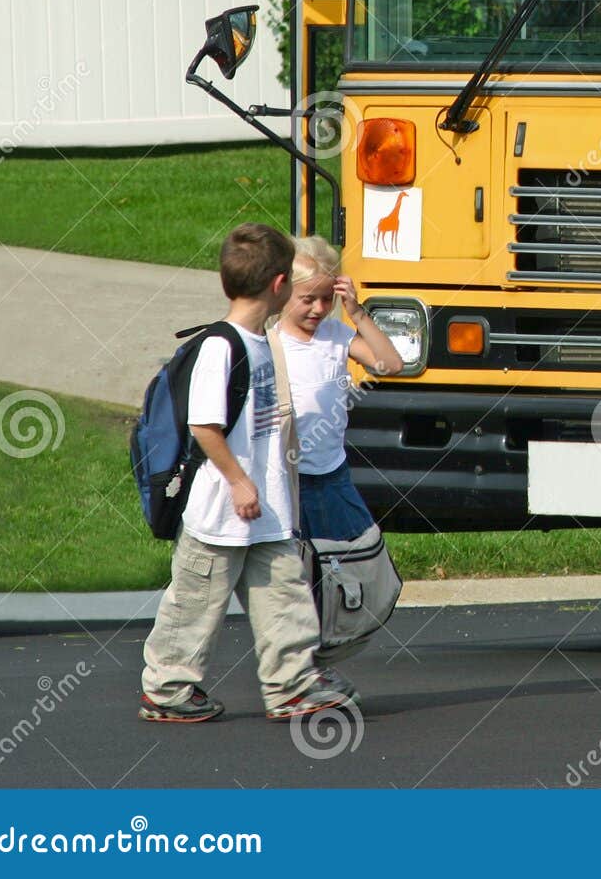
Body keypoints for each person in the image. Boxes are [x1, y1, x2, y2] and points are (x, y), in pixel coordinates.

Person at [140, 223, 354, 723]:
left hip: (267, 508)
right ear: (279, 285)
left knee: (286, 600)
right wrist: (239, 481)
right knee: (194, 606)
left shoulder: (259, 341)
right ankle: (167, 690)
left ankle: (291, 686)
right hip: (220, 511)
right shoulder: (222, 345)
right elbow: (204, 425)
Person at [275, 235, 404, 690]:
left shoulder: (337, 335)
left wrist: (357, 313)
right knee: (300, 578)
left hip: (333, 477)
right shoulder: (271, 344)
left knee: (355, 563)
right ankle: (303, 668)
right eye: (307, 299)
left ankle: (320, 657)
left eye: (326, 299)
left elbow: (390, 364)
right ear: (282, 293)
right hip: (289, 482)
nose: (317, 309)